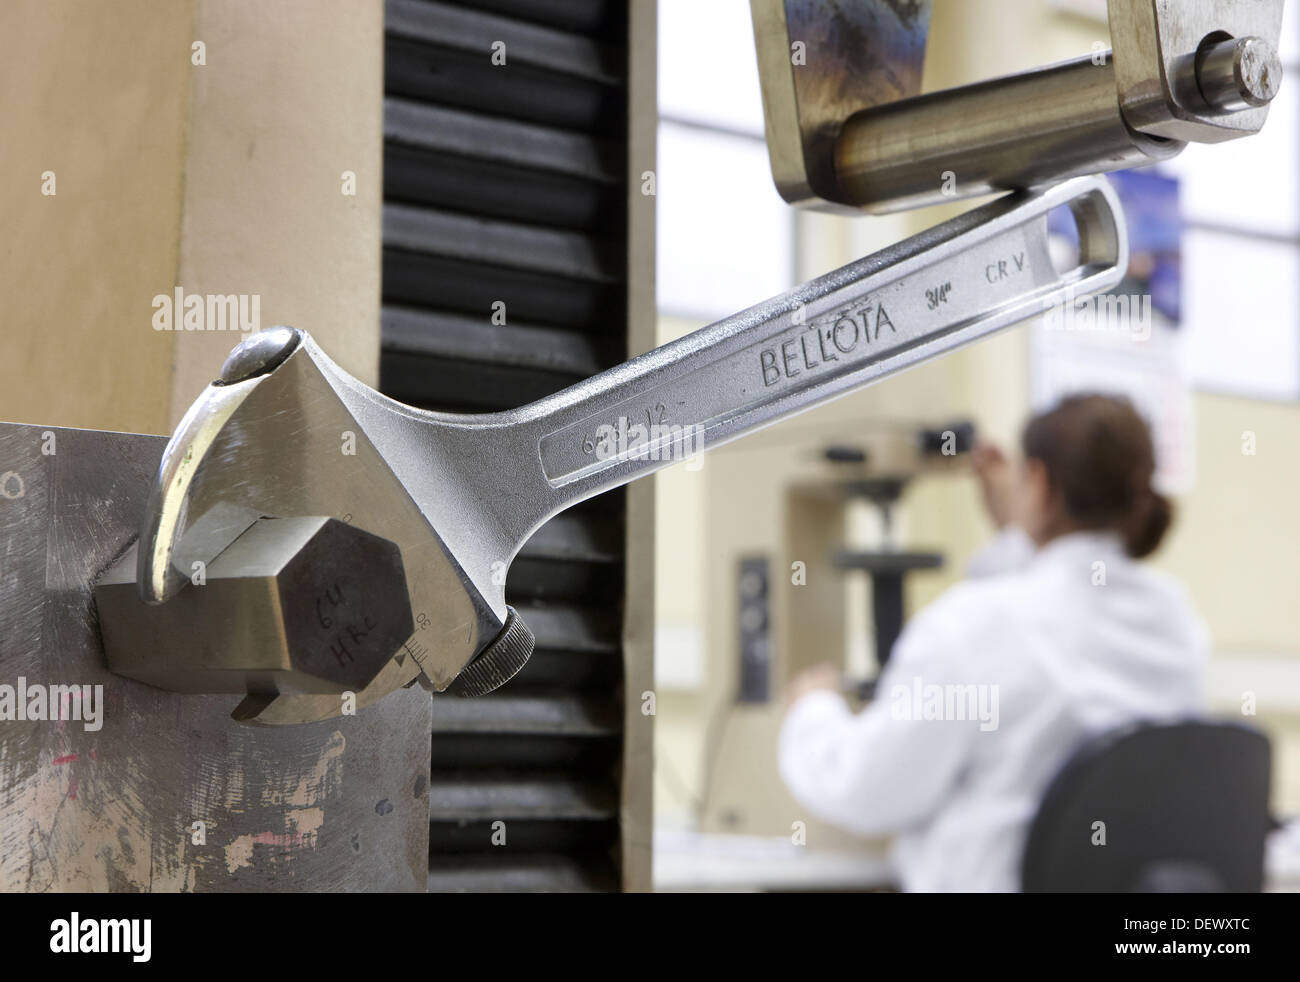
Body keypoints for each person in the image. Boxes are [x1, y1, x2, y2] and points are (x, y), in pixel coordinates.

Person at [778, 393, 1208, 892]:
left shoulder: (974, 625)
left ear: (1041, 482)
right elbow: (1061, 614)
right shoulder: (1177, 625)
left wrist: (812, 712)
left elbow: (867, 791)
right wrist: (1022, 531)